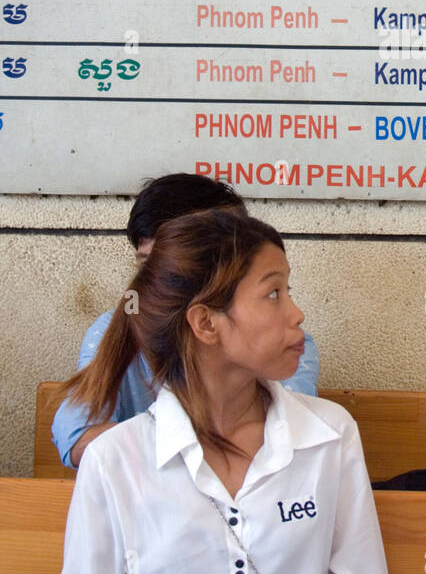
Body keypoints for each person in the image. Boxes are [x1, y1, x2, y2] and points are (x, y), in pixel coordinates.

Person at [53, 209, 426, 574]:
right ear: (206, 323)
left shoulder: (330, 433)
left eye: (289, 291)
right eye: (273, 294)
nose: (297, 313)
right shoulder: (111, 460)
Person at [51, 173, 320, 469]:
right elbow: (78, 437)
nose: (163, 286)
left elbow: (289, 439)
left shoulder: (286, 341)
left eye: (181, 270)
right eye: (150, 268)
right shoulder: (112, 332)